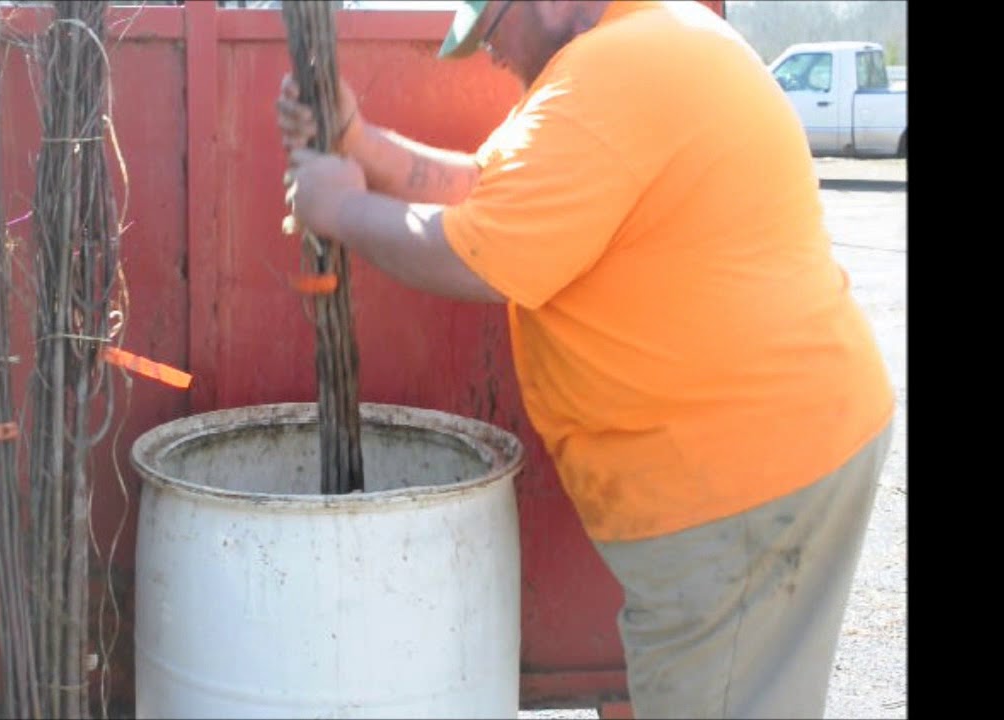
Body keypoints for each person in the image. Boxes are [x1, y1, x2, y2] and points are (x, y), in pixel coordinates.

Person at [276, 1, 896, 718]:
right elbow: (491, 192)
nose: (490, 55)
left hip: (740, 485)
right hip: (770, 453)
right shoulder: (635, 52)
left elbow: (483, 256)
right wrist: (359, 144)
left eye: (491, 29)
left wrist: (341, 212)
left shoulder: (612, 71)